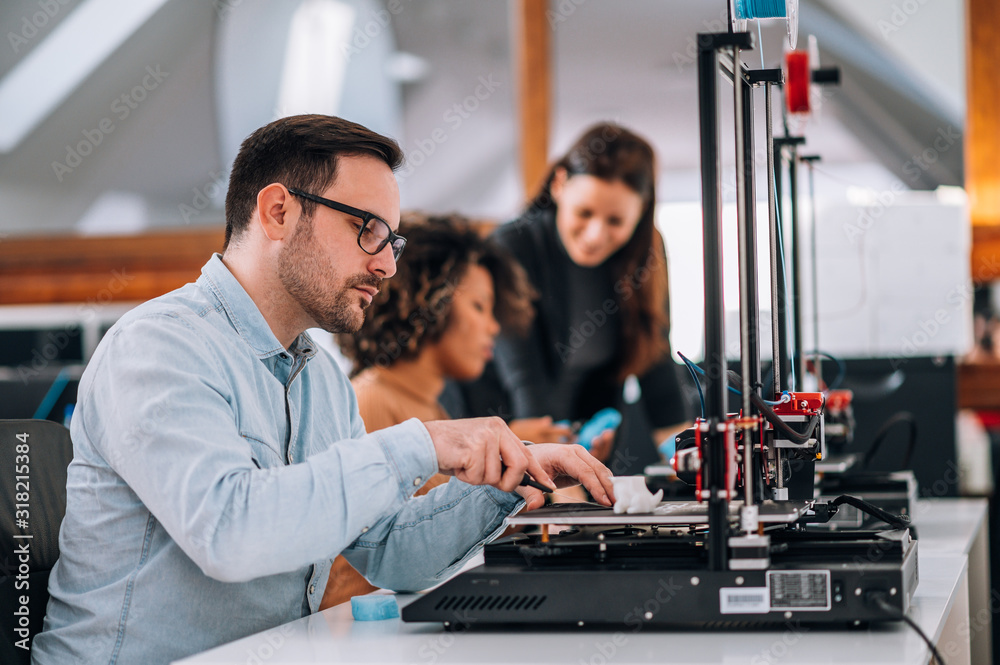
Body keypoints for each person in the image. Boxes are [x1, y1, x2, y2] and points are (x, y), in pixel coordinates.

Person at [31, 115, 615, 665]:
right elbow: (228, 531)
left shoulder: (320, 379)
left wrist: (513, 476)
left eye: (393, 241)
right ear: (279, 211)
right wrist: (422, 443)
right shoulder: (160, 347)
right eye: (368, 230)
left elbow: (390, 550)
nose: (387, 265)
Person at [461, 122, 690, 475]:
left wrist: (690, 463)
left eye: (615, 221)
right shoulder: (513, 246)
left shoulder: (646, 255)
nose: (596, 235)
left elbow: (655, 363)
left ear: (641, 213)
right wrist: (560, 468)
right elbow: (524, 380)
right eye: (584, 213)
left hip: (580, 446)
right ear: (559, 185)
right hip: (507, 440)